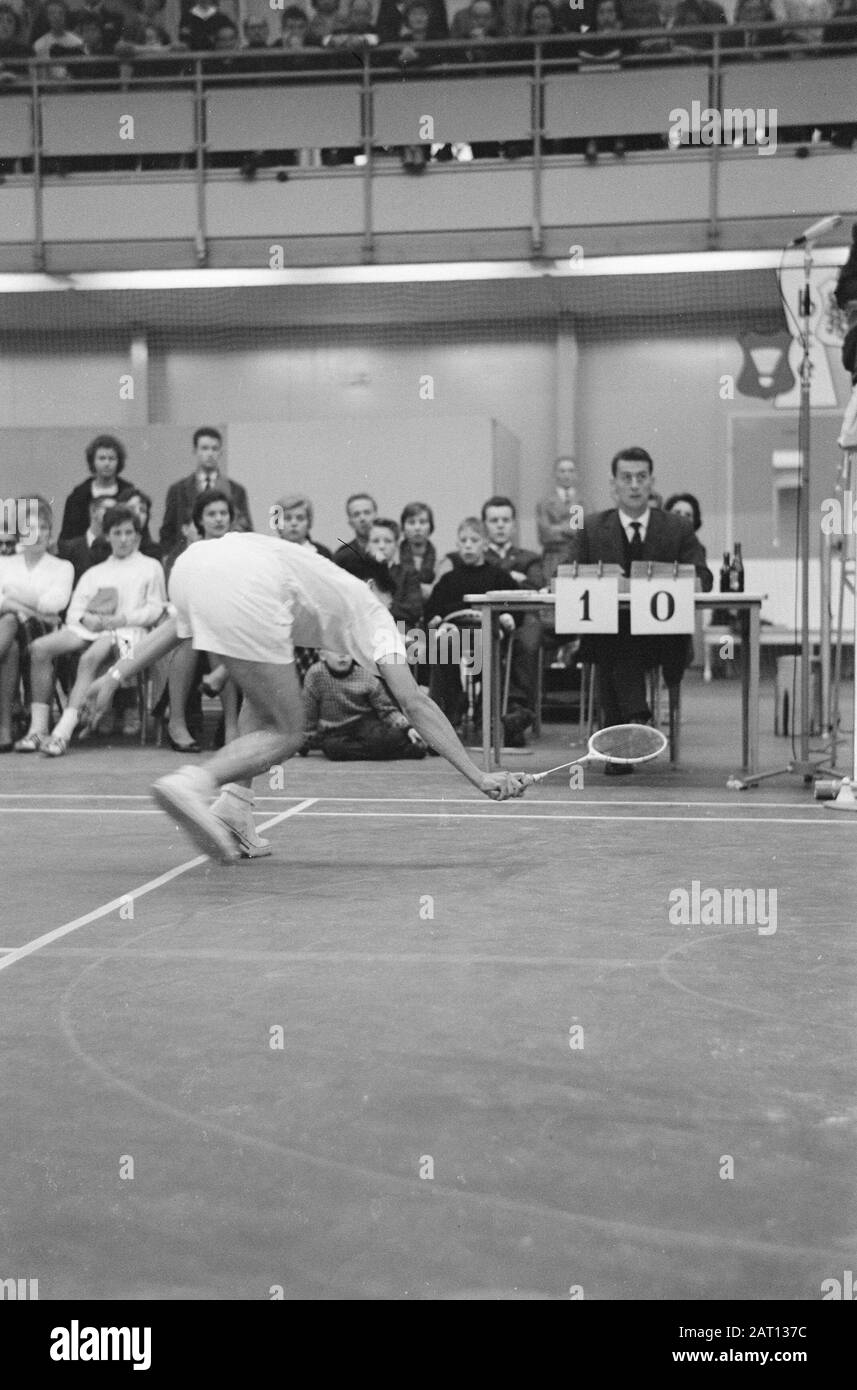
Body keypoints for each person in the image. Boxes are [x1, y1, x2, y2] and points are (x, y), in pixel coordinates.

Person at [81, 532, 528, 863]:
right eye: (389, 604)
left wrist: (115, 676)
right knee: (291, 732)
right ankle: (195, 782)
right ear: (376, 588)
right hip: (247, 587)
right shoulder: (371, 611)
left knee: (270, 702)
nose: (391, 619)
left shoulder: (310, 585)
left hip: (191, 567)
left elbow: (176, 626)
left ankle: (235, 807)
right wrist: (478, 776)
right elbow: (416, 704)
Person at [566, 446, 712, 768]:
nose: (634, 485)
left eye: (641, 478)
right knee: (614, 638)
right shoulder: (590, 528)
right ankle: (634, 723)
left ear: (652, 482)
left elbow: (704, 577)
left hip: (663, 640)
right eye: (626, 478)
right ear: (613, 485)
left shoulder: (678, 528)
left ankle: (622, 740)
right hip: (608, 634)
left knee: (615, 645)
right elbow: (564, 575)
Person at [15, 504, 166, 756]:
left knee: (90, 657)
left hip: (130, 635)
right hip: (92, 630)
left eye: (129, 533)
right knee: (40, 648)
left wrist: (121, 619)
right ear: (107, 536)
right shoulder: (96, 572)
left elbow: (155, 609)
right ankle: (38, 728)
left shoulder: (150, 567)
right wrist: (87, 620)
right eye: (117, 533)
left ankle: (62, 732)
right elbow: (74, 611)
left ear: (138, 536)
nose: (124, 539)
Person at [162, 488, 240, 752]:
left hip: (231, 624)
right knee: (193, 636)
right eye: (211, 514)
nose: (219, 519)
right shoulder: (191, 555)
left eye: (223, 513)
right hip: (193, 623)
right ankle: (177, 722)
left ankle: (231, 726)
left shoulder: (238, 549)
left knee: (218, 636)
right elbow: (184, 598)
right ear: (200, 519)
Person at [424, 516, 515, 728]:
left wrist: (507, 617)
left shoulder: (498, 576)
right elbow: (432, 610)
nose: (468, 546)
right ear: (457, 545)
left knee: (487, 644)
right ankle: (452, 704)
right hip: (455, 633)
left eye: (473, 540)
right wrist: (437, 621)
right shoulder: (448, 579)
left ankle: (487, 711)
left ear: (484, 544)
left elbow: (513, 608)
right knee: (443, 643)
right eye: (463, 541)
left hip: (487, 633)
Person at [0, 498, 74, 751]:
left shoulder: (62, 567)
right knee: (9, 645)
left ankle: (10, 727)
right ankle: (14, 729)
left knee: (9, 621)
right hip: (11, 635)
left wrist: (12, 598)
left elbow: (55, 605)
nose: (40, 534)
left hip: (43, 634)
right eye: (32, 528)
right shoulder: (4, 563)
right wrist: (24, 605)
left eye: (44, 528)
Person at [481, 494, 545, 744]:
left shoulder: (530, 558)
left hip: (522, 618)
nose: (500, 525)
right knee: (485, 642)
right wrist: (512, 577)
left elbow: (536, 584)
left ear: (514, 525)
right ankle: (489, 714)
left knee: (529, 641)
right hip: (488, 619)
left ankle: (517, 713)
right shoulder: (478, 556)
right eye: (494, 520)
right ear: (485, 524)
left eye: (505, 520)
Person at [302, 648, 428, 760]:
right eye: (336, 650)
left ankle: (398, 745)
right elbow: (309, 711)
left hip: (364, 725)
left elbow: (387, 710)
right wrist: (304, 740)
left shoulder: (365, 676)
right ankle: (404, 751)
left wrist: (407, 728)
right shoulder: (315, 674)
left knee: (385, 737)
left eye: (347, 651)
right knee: (333, 748)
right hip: (334, 730)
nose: (343, 656)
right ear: (322, 655)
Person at [159, 426, 252, 555]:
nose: (210, 453)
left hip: (226, 555)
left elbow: (246, 529)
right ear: (195, 451)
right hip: (187, 555)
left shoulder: (236, 490)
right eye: (204, 448)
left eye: (214, 448)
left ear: (220, 452)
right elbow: (168, 531)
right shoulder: (178, 490)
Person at [59, 433, 136, 542]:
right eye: (102, 458)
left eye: (111, 458)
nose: (107, 463)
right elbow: (67, 536)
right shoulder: (78, 496)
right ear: (93, 461)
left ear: (119, 462)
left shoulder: (129, 493)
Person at [368, 517, 423, 627]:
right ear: (367, 544)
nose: (381, 546)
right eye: (375, 541)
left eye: (388, 541)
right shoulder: (358, 573)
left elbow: (414, 610)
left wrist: (387, 606)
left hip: (398, 630)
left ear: (396, 545)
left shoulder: (408, 574)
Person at [536, 455, 581, 583]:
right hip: (552, 558)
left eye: (571, 471)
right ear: (555, 474)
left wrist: (558, 527)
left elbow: (583, 533)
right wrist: (570, 527)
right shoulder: (544, 503)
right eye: (562, 471)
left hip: (577, 559)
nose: (566, 475)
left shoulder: (583, 502)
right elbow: (546, 534)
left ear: (576, 474)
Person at [58, 494, 111, 583]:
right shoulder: (68, 548)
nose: (114, 515)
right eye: (109, 510)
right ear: (93, 511)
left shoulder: (116, 548)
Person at [269, 494, 333, 559]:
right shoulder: (269, 553)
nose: (294, 523)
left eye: (300, 518)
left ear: (309, 522)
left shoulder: (322, 554)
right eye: (287, 518)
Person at [398, 501, 437, 600]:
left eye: (423, 522)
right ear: (403, 527)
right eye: (411, 522)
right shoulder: (394, 558)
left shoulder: (440, 561)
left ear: (431, 527)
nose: (417, 527)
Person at [333, 492, 378, 574]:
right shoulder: (342, 557)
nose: (362, 518)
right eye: (356, 515)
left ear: (375, 515)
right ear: (350, 522)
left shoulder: (389, 549)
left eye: (367, 513)